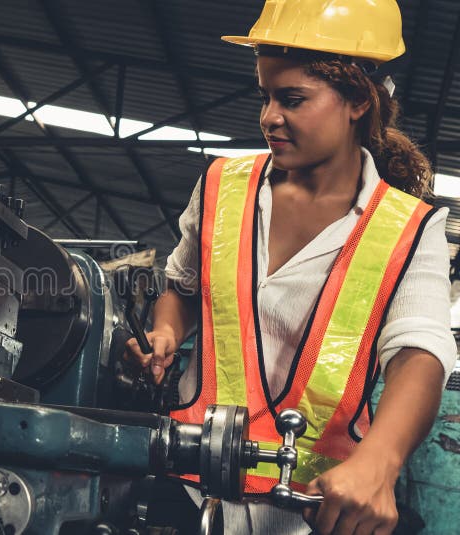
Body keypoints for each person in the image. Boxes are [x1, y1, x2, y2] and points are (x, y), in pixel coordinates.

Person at [124, 1, 457, 534]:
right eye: (265, 96)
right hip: (186, 493)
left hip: (316, 510)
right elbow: (182, 288)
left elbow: (420, 351)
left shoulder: (411, 228)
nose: (268, 117)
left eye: (292, 99)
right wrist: (165, 331)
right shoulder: (220, 187)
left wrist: (380, 461)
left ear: (356, 101)